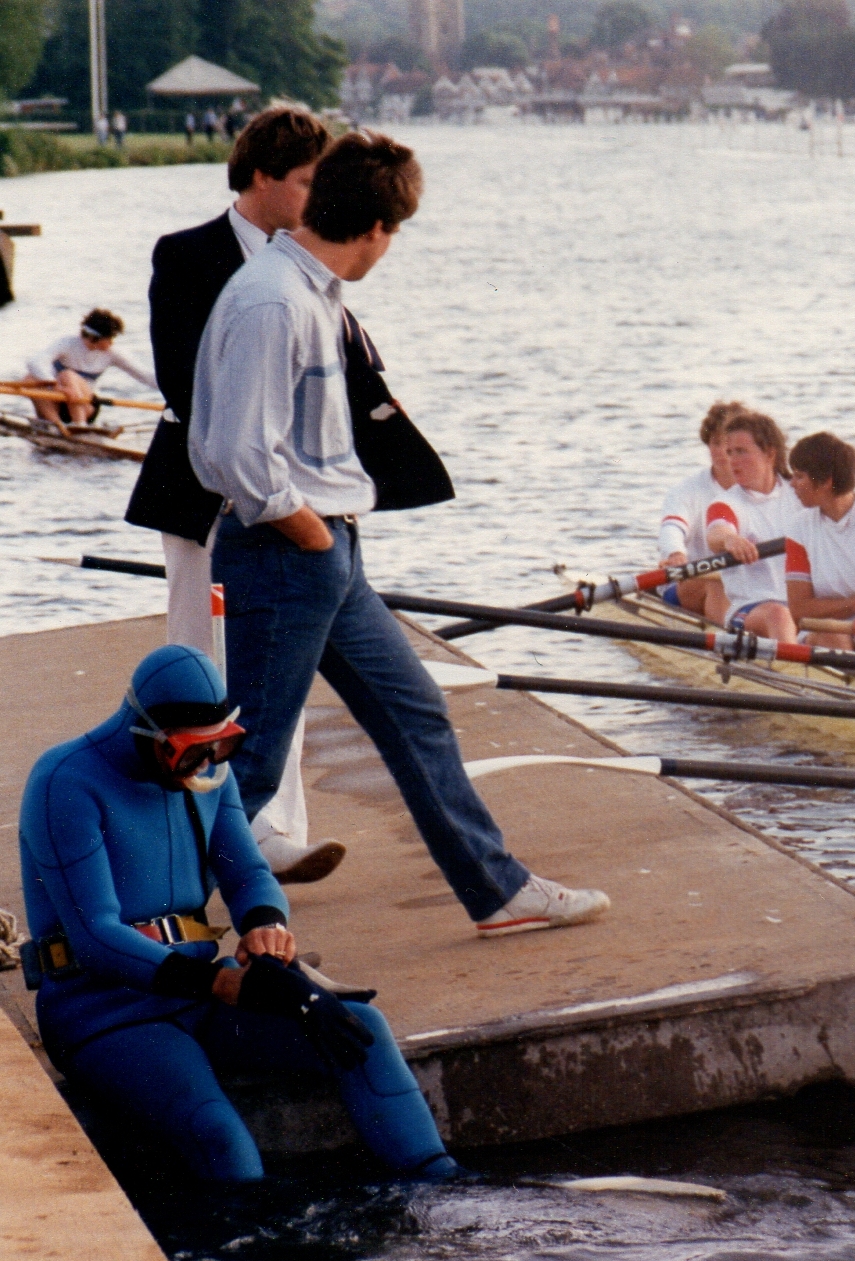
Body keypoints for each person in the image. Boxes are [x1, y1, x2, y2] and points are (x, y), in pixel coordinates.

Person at [190, 130, 608, 938]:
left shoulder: (310, 293)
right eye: (396, 232)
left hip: (326, 556)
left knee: (416, 712)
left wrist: (326, 541)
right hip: (289, 551)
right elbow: (237, 453)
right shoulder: (275, 299)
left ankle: (496, 890)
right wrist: (310, 533)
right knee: (251, 762)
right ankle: (154, 917)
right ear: (378, 228)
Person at [17, 645, 455, 1182]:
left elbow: (247, 873)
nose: (205, 767)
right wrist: (226, 987)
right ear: (148, 732)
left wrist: (266, 929)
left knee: (359, 1031)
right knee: (221, 1137)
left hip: (196, 997)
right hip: (103, 1015)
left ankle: (448, 1193)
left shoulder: (209, 779)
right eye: (191, 753)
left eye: (220, 748)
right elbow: (97, 937)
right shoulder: (65, 783)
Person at [126, 106, 340, 884]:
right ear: (260, 176)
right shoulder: (185, 255)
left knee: (279, 660)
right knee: (201, 663)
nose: (321, 200)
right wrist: (251, 467)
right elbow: (183, 377)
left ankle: (275, 829)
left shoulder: (314, 264)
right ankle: (197, 831)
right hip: (201, 487)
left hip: (289, 491)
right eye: (309, 183)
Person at [784, 431, 855, 652]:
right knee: (832, 635)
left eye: (799, 477)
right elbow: (799, 610)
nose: (791, 484)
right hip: (827, 628)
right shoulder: (799, 527)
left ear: (826, 481)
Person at [704, 408, 804, 643]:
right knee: (779, 616)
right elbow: (717, 532)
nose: (732, 461)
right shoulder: (726, 503)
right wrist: (730, 539)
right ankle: (790, 675)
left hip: (805, 606)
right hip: (752, 609)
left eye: (741, 451)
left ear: (770, 453)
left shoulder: (801, 493)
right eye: (729, 453)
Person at [655, 400, 741, 621]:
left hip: (744, 590)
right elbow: (672, 528)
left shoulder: (758, 492)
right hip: (691, 584)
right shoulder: (686, 491)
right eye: (715, 443)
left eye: (729, 445)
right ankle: (722, 650)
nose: (722, 452)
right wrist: (676, 553)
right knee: (717, 582)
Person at [22, 309, 157, 434]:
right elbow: (35, 362)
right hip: (57, 402)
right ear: (94, 337)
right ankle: (56, 426)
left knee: (67, 375)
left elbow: (144, 375)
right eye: (109, 338)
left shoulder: (113, 354)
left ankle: (80, 426)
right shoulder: (67, 343)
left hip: (85, 405)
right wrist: (56, 385)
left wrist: (172, 392)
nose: (111, 342)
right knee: (29, 379)